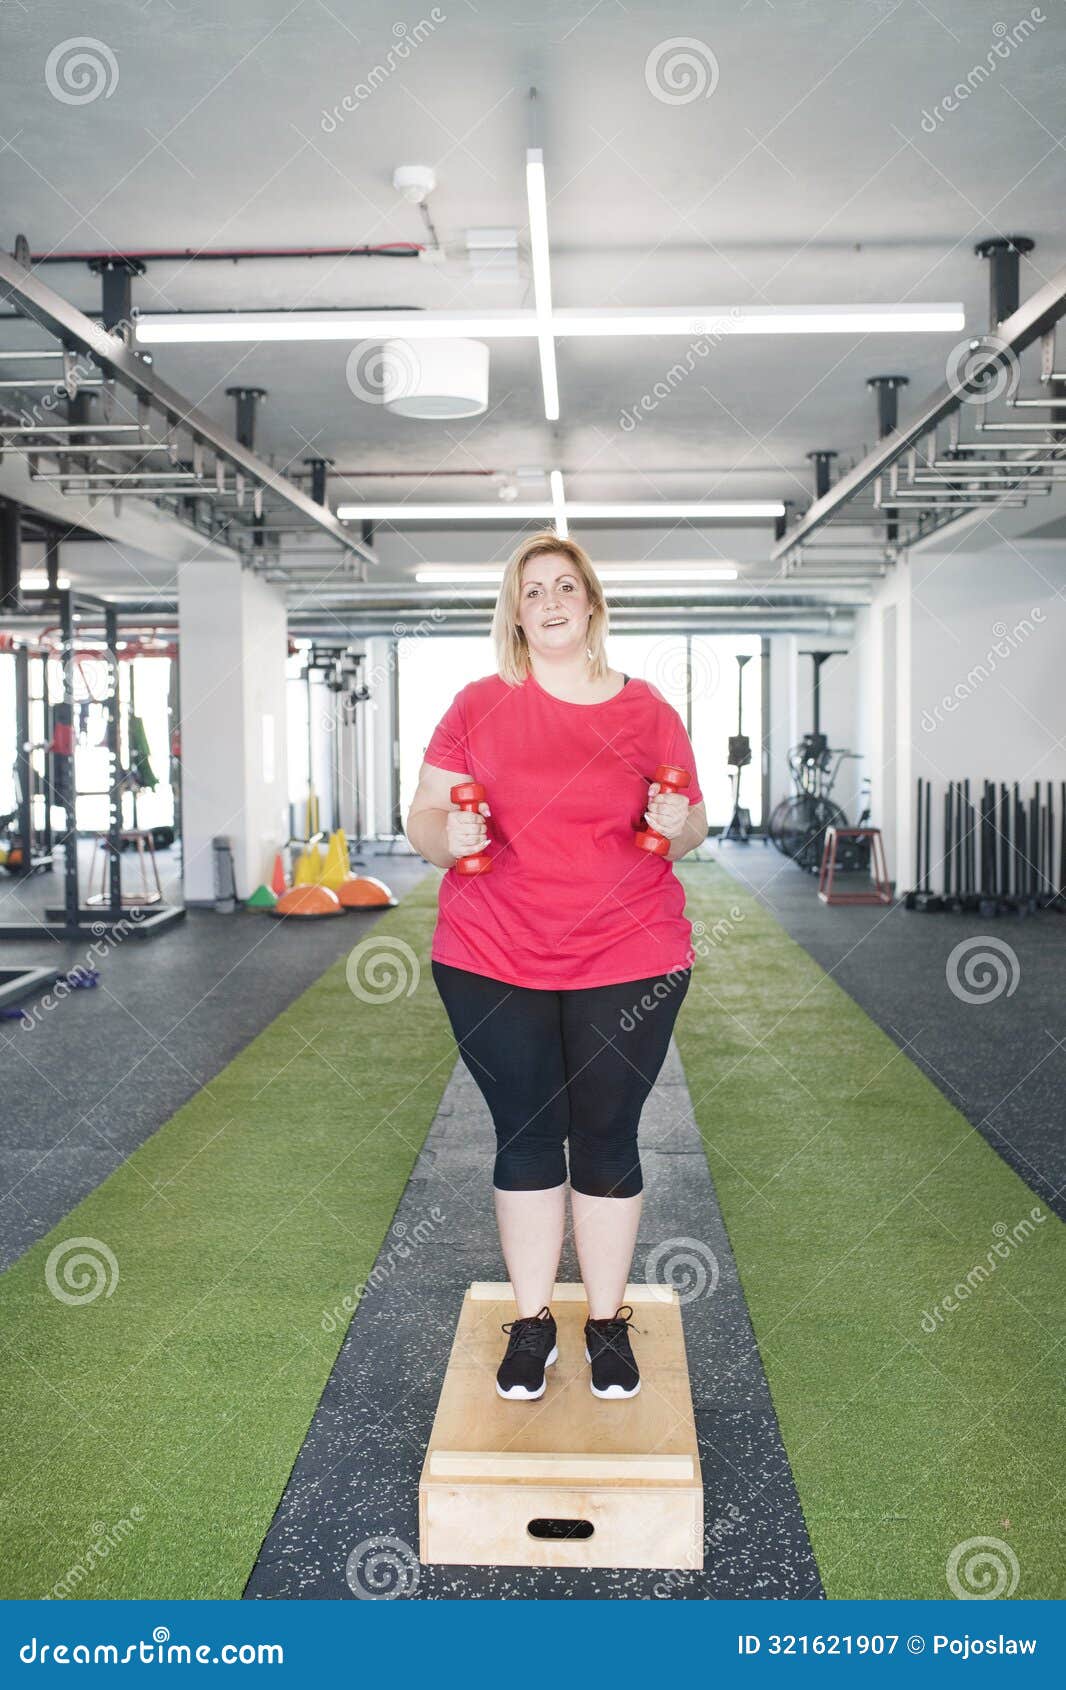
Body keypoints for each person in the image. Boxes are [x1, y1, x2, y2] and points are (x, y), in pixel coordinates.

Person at [405, 532, 707, 1403]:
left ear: (592, 603)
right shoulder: (476, 704)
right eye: (531, 589)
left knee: (608, 1136)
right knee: (528, 1134)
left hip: (629, 953)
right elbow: (425, 814)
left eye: (564, 586)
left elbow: (690, 828)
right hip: (492, 953)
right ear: (515, 611)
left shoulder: (647, 709)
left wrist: (677, 815)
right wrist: (444, 837)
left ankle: (606, 1325)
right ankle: (533, 1321)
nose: (549, 601)